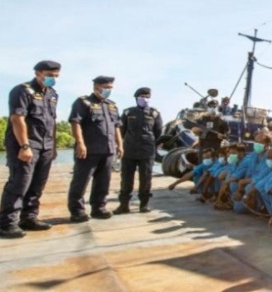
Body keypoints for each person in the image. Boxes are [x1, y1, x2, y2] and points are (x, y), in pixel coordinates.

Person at [1, 60, 61, 238]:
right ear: (38, 73)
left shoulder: (52, 94)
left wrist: (54, 146)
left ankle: (29, 218)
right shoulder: (22, 90)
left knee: (37, 185)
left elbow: (52, 121)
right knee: (20, 183)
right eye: (49, 76)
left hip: (46, 146)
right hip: (27, 144)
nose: (53, 79)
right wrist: (24, 145)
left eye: (56, 76)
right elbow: (17, 118)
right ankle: (6, 223)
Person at [67, 76, 123, 222]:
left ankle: (99, 208)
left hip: (108, 150)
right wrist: (80, 143)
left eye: (110, 87)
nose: (108, 90)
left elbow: (117, 126)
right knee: (81, 181)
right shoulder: (83, 103)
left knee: (103, 181)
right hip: (88, 150)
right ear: (96, 87)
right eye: (105, 87)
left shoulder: (112, 105)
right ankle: (77, 211)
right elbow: (75, 122)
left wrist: (120, 145)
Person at [114, 87, 163, 214]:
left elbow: (158, 132)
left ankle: (144, 205)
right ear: (136, 98)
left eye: (147, 96)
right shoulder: (128, 112)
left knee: (146, 179)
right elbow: (120, 131)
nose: (145, 99)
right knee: (126, 179)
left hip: (146, 151)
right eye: (142, 96)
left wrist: (151, 143)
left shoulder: (155, 113)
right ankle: (124, 205)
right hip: (129, 150)